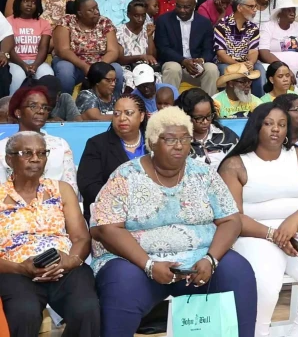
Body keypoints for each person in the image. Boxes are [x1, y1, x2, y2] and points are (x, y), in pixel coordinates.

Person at [89, 107, 258, 336]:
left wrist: (211, 259)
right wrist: (148, 265)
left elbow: (231, 220)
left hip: (200, 262)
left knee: (238, 270)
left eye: (185, 139)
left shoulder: (203, 174)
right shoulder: (126, 175)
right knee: (122, 283)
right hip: (135, 262)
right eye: (170, 139)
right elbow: (105, 228)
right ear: (152, 142)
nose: (179, 146)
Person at [218, 103, 298, 337]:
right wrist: (273, 234)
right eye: (268, 123)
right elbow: (231, 217)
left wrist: (293, 221)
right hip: (253, 233)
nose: (275, 129)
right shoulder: (235, 164)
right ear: (256, 126)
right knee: (265, 285)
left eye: (282, 124)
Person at [0, 131, 100, 337]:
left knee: (86, 310)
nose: (35, 158)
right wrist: (20, 268)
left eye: (41, 153)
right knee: (23, 313)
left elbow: (81, 238)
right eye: (26, 153)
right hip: (14, 271)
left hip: (64, 268)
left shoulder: (61, 190)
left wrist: (70, 261)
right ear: (10, 159)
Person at [76, 96, 147, 223]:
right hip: (109, 215)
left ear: (141, 116)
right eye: (116, 113)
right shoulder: (97, 144)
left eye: (129, 113)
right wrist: (124, 204)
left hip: (151, 212)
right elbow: (88, 186)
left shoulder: (154, 143)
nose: (122, 118)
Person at [0, 86, 77, 191]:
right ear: (18, 112)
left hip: (55, 204)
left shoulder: (60, 145)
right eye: (33, 106)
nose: (41, 111)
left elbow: (71, 186)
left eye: (45, 107)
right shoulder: (2, 147)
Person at [52, 0, 124, 95]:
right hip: (73, 63)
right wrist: (84, 66)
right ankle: (64, 104)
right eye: (91, 10)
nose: (96, 12)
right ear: (80, 13)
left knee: (117, 69)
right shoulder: (66, 21)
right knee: (65, 70)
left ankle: (113, 105)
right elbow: (63, 50)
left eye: (97, 8)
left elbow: (113, 51)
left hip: (100, 63)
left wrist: (98, 68)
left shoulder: (104, 22)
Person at [154, 0, 220, 95]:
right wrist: (183, 61)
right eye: (179, 6)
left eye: (186, 7)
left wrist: (201, 61)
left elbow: (209, 49)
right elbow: (163, 48)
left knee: (212, 69)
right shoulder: (163, 20)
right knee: (173, 68)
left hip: (196, 67)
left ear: (194, 5)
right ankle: (170, 107)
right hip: (175, 63)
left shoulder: (204, 22)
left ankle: (208, 107)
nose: (182, 10)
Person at [214, 0, 263, 95]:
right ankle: (227, 104)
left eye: (255, 6)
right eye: (251, 6)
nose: (255, 10)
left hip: (246, 62)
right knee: (226, 70)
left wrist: (251, 63)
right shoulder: (222, 26)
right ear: (240, 8)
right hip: (226, 63)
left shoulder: (253, 28)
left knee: (260, 70)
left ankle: (259, 104)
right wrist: (239, 65)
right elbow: (221, 54)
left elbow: (254, 51)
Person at [6, 0, 54, 93]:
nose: (29, 4)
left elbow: (43, 48)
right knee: (18, 76)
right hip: (15, 62)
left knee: (47, 74)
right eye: (26, 1)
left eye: (33, 2)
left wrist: (35, 66)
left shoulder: (44, 23)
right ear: (19, 2)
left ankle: (48, 106)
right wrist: (23, 65)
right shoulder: (8, 22)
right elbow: (9, 48)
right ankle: (11, 106)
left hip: (37, 62)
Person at [180, 87, 239, 167]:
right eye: (199, 118)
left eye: (209, 116)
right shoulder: (178, 140)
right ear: (186, 116)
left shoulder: (226, 136)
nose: (205, 122)